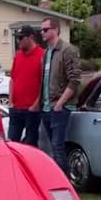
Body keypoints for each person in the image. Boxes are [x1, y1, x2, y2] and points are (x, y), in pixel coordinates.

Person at [36, 17, 81, 175]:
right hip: (47, 107)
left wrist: (60, 104)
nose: (42, 32)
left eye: (45, 29)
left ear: (55, 30)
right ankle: (57, 179)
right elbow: (44, 81)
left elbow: (75, 80)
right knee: (51, 147)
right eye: (42, 30)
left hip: (60, 108)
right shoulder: (46, 53)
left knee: (57, 146)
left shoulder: (68, 50)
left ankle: (66, 182)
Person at [8, 25, 44, 146]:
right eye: (17, 38)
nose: (18, 41)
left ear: (31, 37)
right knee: (12, 143)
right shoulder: (18, 56)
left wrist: (36, 105)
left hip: (32, 110)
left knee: (30, 144)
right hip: (16, 109)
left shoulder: (42, 56)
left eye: (21, 38)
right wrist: (10, 102)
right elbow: (12, 79)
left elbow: (45, 83)